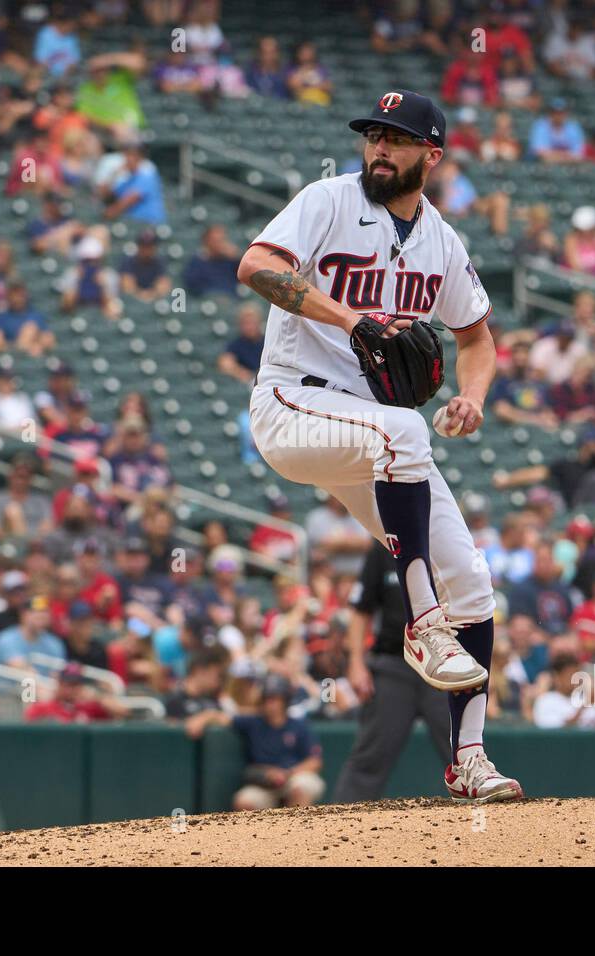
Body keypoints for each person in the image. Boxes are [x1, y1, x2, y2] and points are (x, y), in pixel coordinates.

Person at [238, 89, 522, 804]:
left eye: (395, 138)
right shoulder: (329, 200)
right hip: (291, 407)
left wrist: (474, 395)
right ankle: (423, 626)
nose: (379, 149)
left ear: (432, 154)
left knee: (477, 586)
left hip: (372, 440)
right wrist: (352, 318)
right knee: (405, 430)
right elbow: (256, 265)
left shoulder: (442, 242)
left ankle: (469, 759)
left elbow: (477, 338)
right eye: (372, 135)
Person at [333, 542, 450, 802]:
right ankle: (344, 826)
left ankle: (487, 828)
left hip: (443, 665)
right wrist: (356, 662)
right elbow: (361, 609)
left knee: (464, 753)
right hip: (394, 665)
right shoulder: (382, 550)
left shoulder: (448, 543)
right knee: (371, 755)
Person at [227, 676, 326, 810]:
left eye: (274, 699)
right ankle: (261, 832)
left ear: (285, 701)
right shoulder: (253, 722)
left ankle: (297, 829)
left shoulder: (298, 725)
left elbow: (315, 762)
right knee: (244, 801)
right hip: (264, 783)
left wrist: (287, 773)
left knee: (302, 786)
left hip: (292, 777)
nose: (270, 704)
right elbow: (223, 718)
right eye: (266, 700)